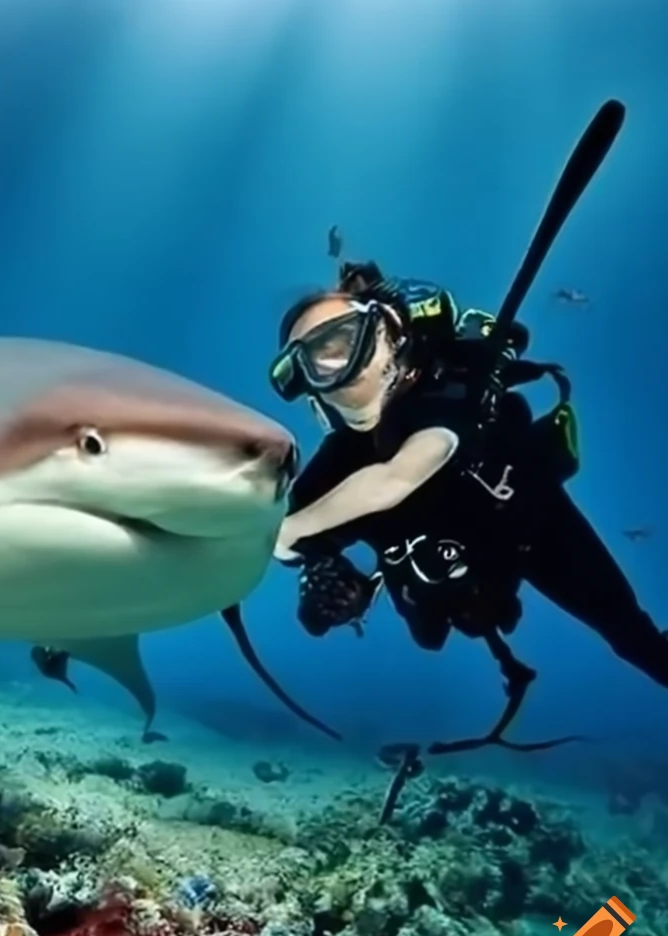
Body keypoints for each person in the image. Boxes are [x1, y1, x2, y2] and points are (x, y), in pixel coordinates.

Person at [268, 259, 668, 753]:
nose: (335, 365)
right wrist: (321, 569)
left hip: (528, 526)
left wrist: (281, 533)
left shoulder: (452, 388)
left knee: (631, 633)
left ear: (391, 334)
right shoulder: (344, 456)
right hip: (434, 572)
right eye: (313, 359)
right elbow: (281, 544)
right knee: (429, 630)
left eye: (345, 341)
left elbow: (397, 477)